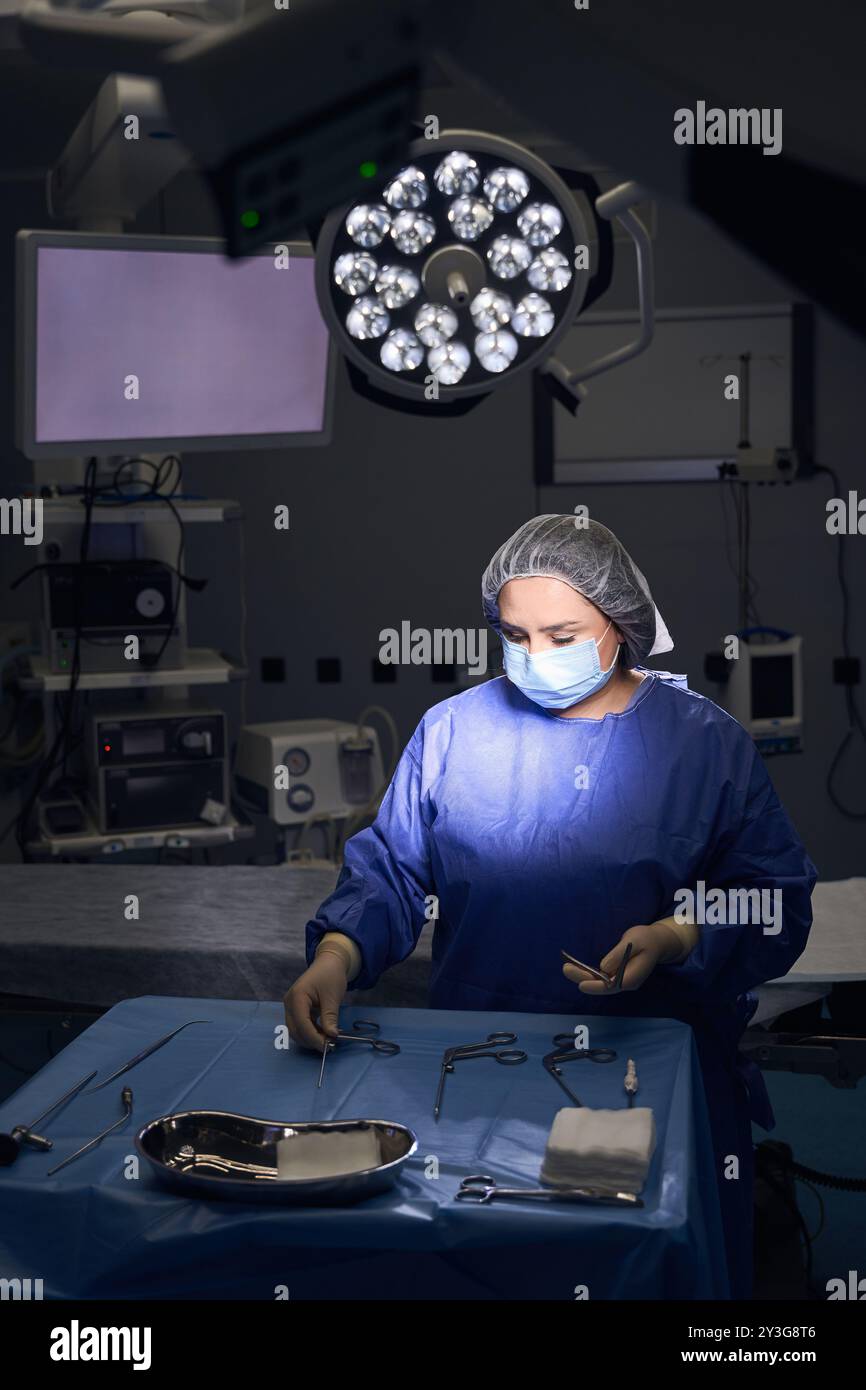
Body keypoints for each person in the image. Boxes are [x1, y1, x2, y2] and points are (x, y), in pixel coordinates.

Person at [284, 514, 816, 1298]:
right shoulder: (454, 734)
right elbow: (391, 872)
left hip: (645, 1071)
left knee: (630, 1267)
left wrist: (677, 934)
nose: (535, 657)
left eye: (562, 634)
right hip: (475, 1065)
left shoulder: (703, 746)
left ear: (621, 624)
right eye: (515, 634)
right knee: (481, 1260)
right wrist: (336, 958)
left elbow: (772, 898)